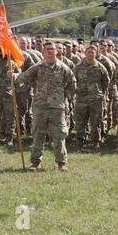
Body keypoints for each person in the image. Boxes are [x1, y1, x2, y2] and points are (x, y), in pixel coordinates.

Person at [16, 41, 76, 170]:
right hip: (40, 106)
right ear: (43, 52)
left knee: (59, 135)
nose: (50, 51)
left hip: (57, 108)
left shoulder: (64, 68)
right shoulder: (37, 67)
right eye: (47, 49)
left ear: (57, 51)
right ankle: (36, 162)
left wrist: (63, 97)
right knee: (38, 134)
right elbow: (23, 78)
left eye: (52, 49)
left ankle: (61, 163)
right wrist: (14, 75)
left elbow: (72, 84)